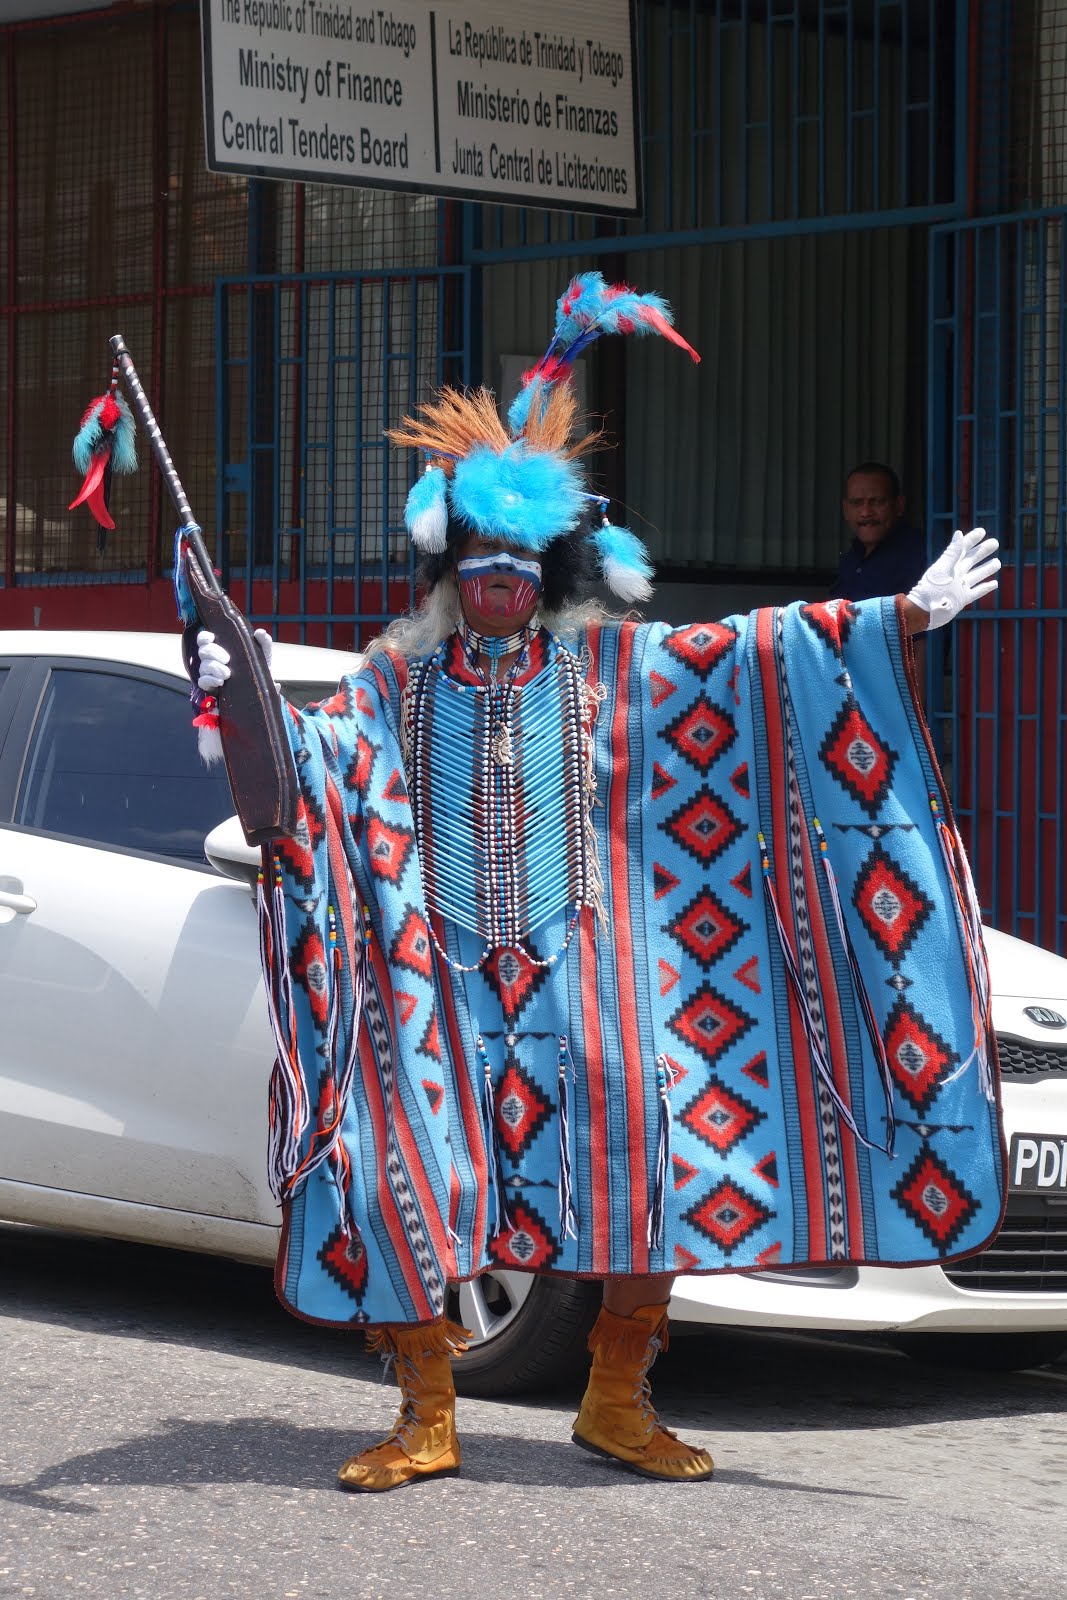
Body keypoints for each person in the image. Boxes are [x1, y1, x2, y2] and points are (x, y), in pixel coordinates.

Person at [193, 274, 1004, 1494]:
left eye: (523, 564)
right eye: (482, 564)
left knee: (652, 1156)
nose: (500, 584)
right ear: (450, 567)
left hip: (591, 990)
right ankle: (427, 1411)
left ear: (556, 567)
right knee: (398, 1154)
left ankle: (616, 1401)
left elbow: (748, 659)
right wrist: (237, 695)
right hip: (438, 991)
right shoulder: (390, 681)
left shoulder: (618, 671)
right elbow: (310, 769)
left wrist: (894, 617)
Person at [831, 462, 928, 602]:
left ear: (899, 505)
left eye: (877, 502)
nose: (865, 512)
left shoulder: (921, 555)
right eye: (856, 503)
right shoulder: (850, 559)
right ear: (845, 509)